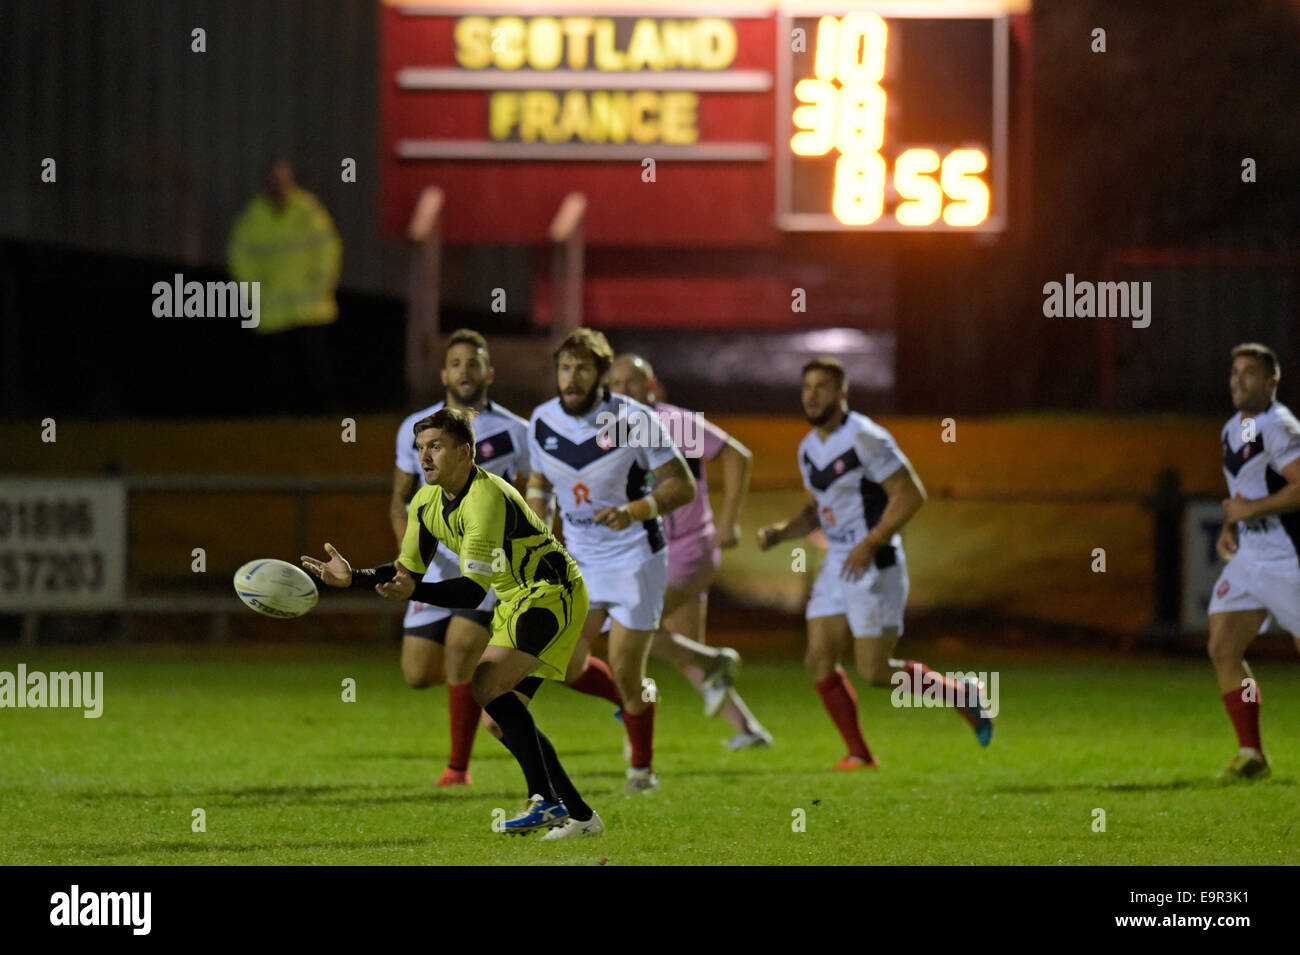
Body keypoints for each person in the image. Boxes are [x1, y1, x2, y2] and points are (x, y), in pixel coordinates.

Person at [303, 407, 602, 838]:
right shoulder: (424, 503)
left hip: (551, 592)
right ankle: (581, 816)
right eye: (420, 448)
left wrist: (413, 591)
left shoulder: (485, 497)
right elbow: (408, 573)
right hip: (520, 598)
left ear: (465, 452)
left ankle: (545, 800)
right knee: (500, 718)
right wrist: (356, 578)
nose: (425, 457)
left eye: (436, 447)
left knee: (484, 682)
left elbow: (469, 592)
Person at [757, 358, 992, 770]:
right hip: (837, 564)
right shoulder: (808, 447)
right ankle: (860, 754)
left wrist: (871, 542)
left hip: (875, 563)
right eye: (807, 387)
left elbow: (910, 492)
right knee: (818, 659)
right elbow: (816, 508)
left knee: (875, 671)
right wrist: (782, 532)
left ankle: (961, 695)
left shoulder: (866, 437)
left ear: (843, 393)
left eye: (822, 387)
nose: (812, 395)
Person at [526, 328, 697, 793]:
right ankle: (633, 703)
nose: (571, 377)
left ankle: (642, 768)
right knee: (562, 661)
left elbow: (682, 486)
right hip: (579, 557)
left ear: (602, 374)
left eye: (583, 368)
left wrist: (633, 511)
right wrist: (536, 530)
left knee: (626, 668)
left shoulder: (634, 419)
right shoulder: (541, 421)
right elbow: (540, 483)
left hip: (635, 556)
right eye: (564, 368)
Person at [607, 354, 773, 748]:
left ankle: (638, 728)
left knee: (634, 630)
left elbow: (737, 455)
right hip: (650, 555)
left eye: (633, 381)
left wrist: (731, 521)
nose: (623, 390)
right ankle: (749, 731)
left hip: (688, 549)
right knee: (684, 651)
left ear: (652, 386)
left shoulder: (675, 423)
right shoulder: (609, 431)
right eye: (615, 383)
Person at [390, 329, 530, 787]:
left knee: (459, 651)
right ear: (443, 373)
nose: (465, 370)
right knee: (416, 673)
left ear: (489, 372)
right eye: (456, 363)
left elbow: (532, 500)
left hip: (488, 568)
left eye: (474, 362)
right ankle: (504, 676)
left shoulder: (516, 431)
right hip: (434, 569)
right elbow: (399, 500)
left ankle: (457, 769)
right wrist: (410, 559)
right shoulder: (417, 428)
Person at [1207, 342, 1300, 782]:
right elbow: (1243, 494)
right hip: (1251, 556)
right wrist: (1232, 525)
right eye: (1234, 372)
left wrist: (1251, 511)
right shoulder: (1232, 429)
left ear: (1271, 383)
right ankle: (1252, 754)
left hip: (1287, 557)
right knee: (1224, 646)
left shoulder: (1279, 426)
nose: (1238, 380)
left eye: (1249, 373)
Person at [228, 159, 341, 410]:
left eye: (283, 177)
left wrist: (321, 282)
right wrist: (252, 290)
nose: (279, 183)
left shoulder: (308, 210)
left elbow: (328, 247)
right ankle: (278, 418)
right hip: (272, 308)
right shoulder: (254, 216)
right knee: (275, 371)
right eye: (274, 178)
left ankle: (322, 415)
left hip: (309, 307)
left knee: (314, 366)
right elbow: (240, 256)